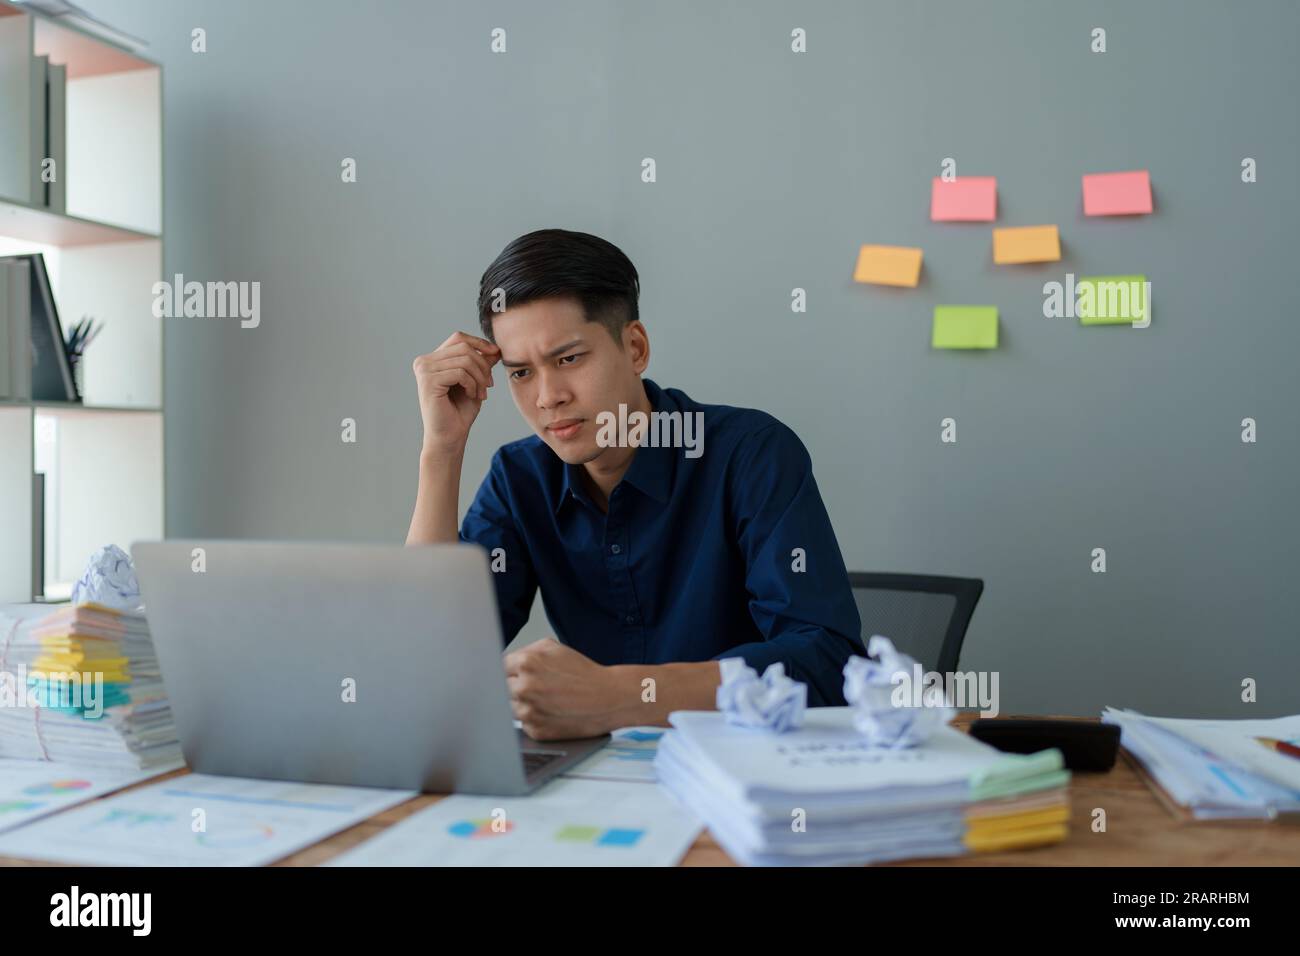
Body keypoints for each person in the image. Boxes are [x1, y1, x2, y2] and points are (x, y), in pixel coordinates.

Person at [407, 228, 863, 740]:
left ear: (635, 347)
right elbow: (426, 666)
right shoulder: (519, 478)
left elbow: (827, 661)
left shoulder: (751, 453)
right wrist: (441, 451)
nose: (548, 396)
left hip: (746, 766)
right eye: (520, 373)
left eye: (568, 358)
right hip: (599, 784)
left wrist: (619, 697)